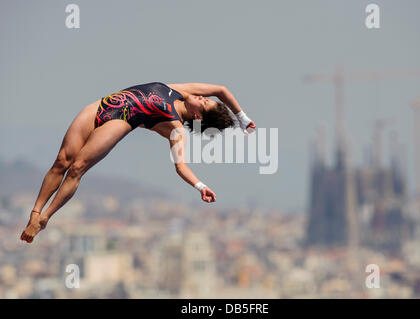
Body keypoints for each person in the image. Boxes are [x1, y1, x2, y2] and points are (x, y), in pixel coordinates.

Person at [20, 82, 255, 243]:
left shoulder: (176, 129)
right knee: (62, 161)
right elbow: (222, 90)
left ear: (197, 116)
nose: (202, 97)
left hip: (120, 120)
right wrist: (242, 118)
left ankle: (44, 218)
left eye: (204, 104)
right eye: (205, 98)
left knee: (77, 168)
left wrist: (201, 186)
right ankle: (35, 210)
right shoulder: (176, 90)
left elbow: (180, 166)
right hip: (99, 107)